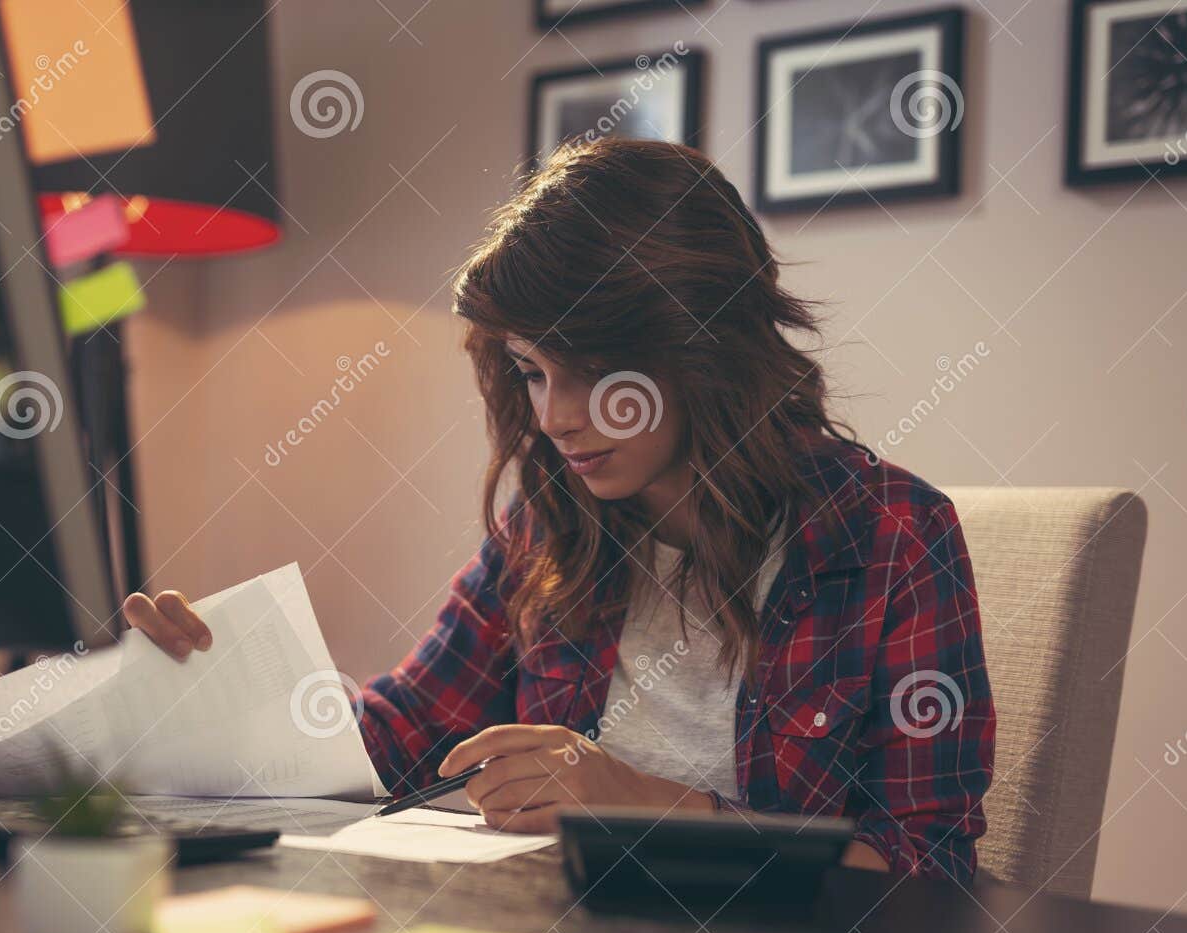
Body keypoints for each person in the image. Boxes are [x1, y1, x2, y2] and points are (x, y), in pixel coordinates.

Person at [123, 136, 995, 882]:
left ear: (702, 346)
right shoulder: (549, 529)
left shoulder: (890, 537)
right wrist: (211, 696)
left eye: (587, 371)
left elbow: (928, 864)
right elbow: (398, 734)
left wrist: (655, 808)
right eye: (533, 371)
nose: (553, 416)